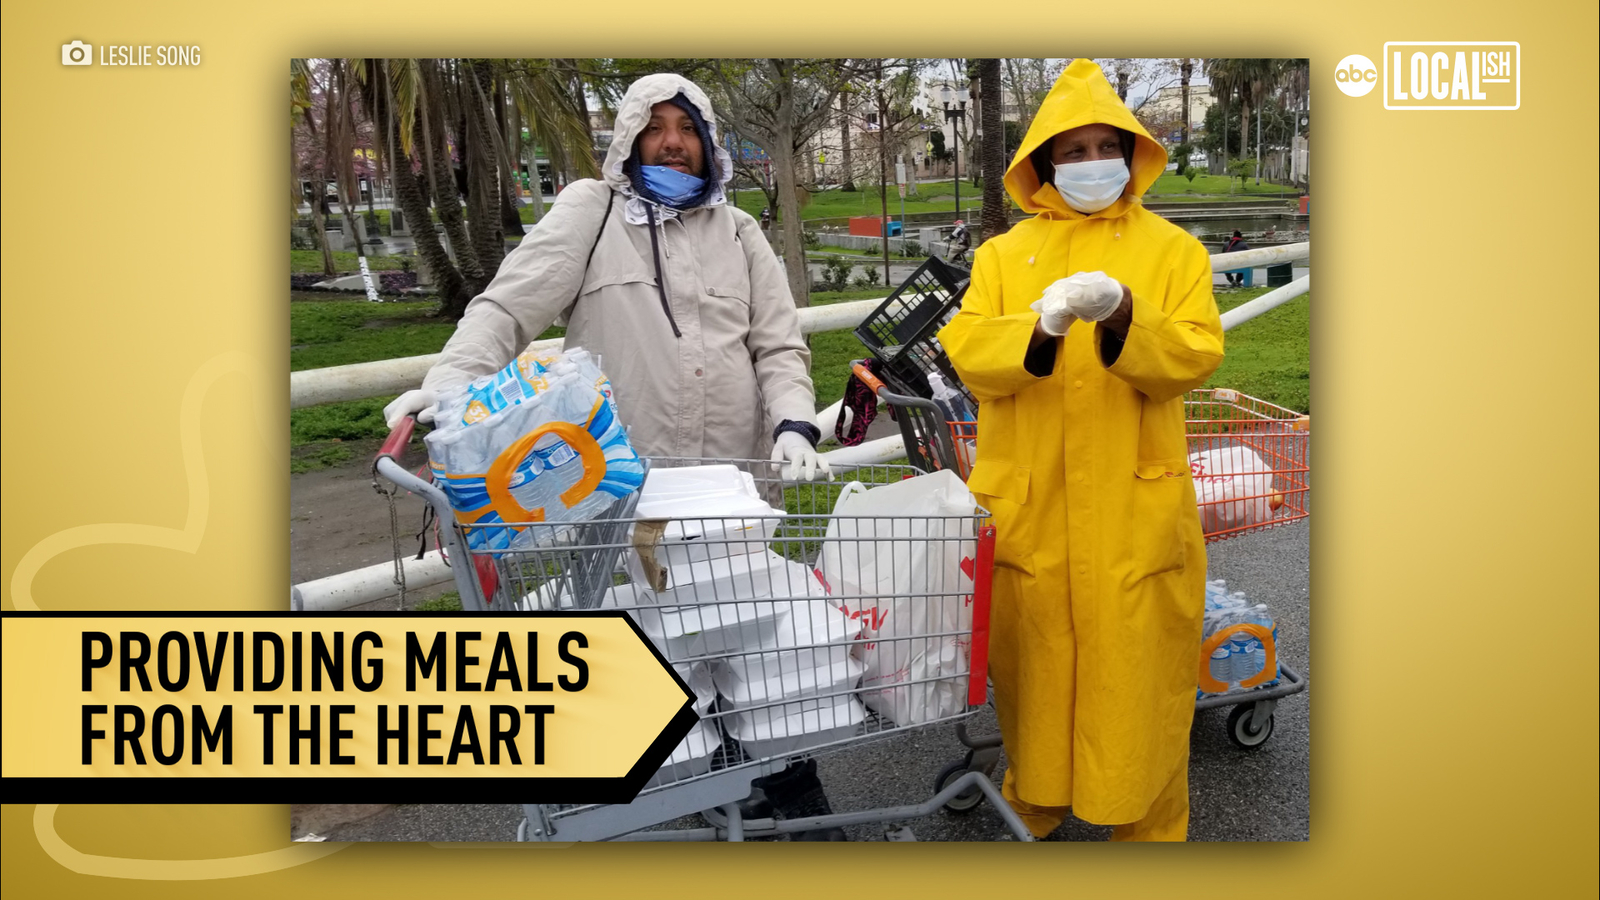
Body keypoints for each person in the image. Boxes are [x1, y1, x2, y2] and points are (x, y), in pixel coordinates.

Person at [383, 73, 843, 839]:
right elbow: (510, 305)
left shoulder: (741, 233)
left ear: (708, 142)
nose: (672, 141)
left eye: (686, 128)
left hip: (729, 487)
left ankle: (788, 789)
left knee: (754, 639)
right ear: (629, 138)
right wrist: (450, 383)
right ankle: (700, 786)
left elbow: (777, 343)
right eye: (656, 127)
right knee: (659, 651)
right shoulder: (592, 214)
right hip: (625, 494)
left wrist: (795, 423)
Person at [938, 59, 1223, 842]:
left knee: (1138, 672)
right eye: (1074, 149)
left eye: (1108, 145)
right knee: (1035, 667)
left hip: (1135, 506)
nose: (1092, 162)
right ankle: (1035, 794)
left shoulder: (1173, 252)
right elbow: (966, 351)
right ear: (1043, 164)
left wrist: (1126, 312)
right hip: (1035, 504)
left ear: (1132, 155)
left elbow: (1193, 357)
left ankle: (1148, 818)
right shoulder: (1002, 256)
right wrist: (1042, 328)